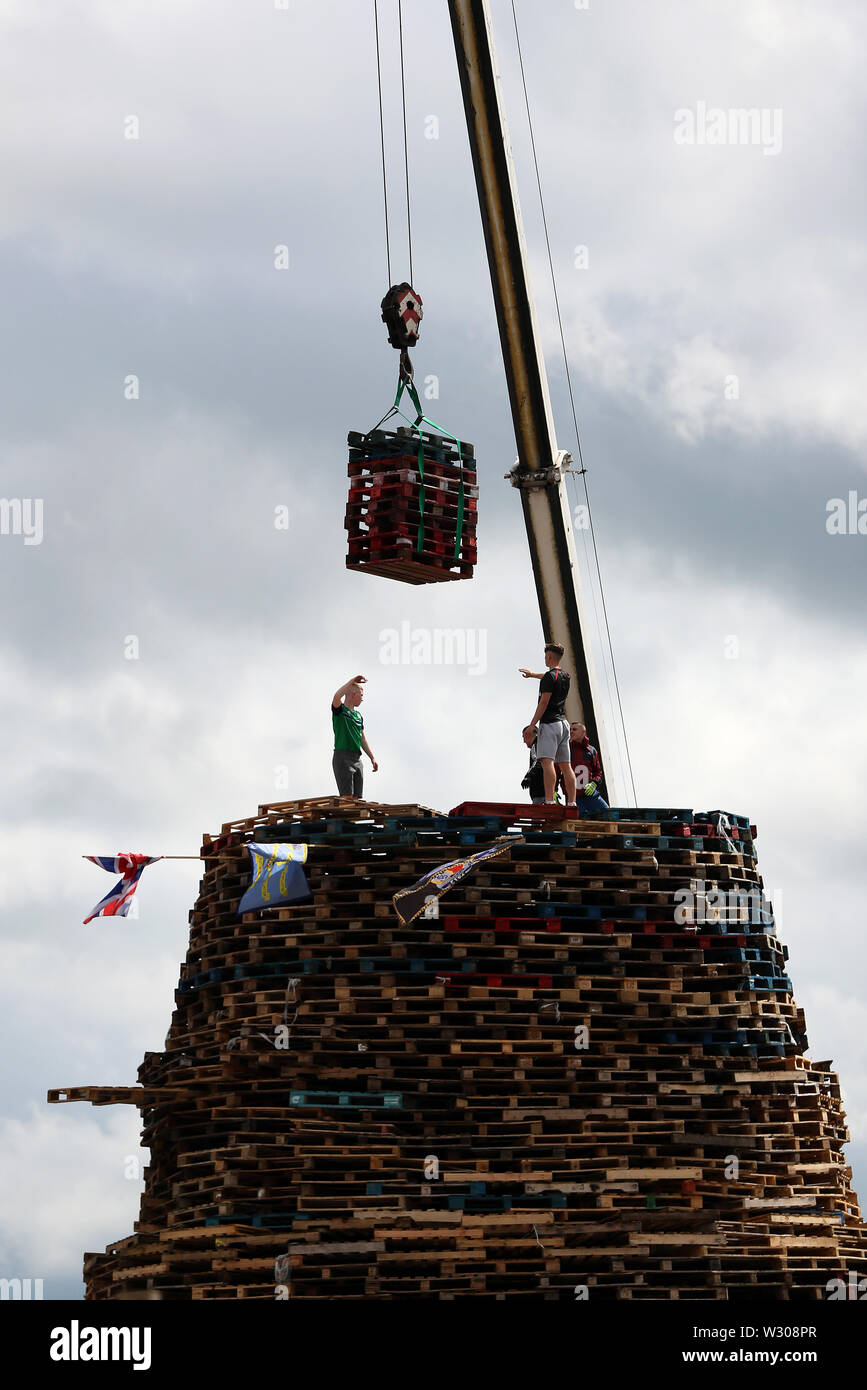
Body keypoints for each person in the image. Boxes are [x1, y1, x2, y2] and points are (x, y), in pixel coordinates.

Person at [519, 643, 577, 806]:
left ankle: (549, 800)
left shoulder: (549, 678)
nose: (545, 658)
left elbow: (543, 703)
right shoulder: (565, 675)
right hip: (563, 724)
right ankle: (572, 802)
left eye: (545, 656)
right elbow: (548, 676)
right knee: (566, 766)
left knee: (547, 762)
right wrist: (532, 675)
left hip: (550, 723)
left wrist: (532, 725)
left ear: (549, 656)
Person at [331, 675, 378, 799]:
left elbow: (362, 739)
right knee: (347, 797)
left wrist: (372, 758)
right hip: (342, 757)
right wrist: (352, 681)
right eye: (361, 695)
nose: (362, 699)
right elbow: (336, 696)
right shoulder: (340, 710)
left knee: (356, 799)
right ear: (353, 694)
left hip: (357, 759)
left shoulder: (358, 716)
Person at [569, 720, 609, 816]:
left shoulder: (592, 750)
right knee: (577, 826)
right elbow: (557, 770)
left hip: (591, 795)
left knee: (609, 815)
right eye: (570, 730)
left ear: (583, 732)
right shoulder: (566, 750)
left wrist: (594, 783)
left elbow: (598, 772)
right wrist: (554, 791)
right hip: (574, 798)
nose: (571, 732)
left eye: (574, 729)